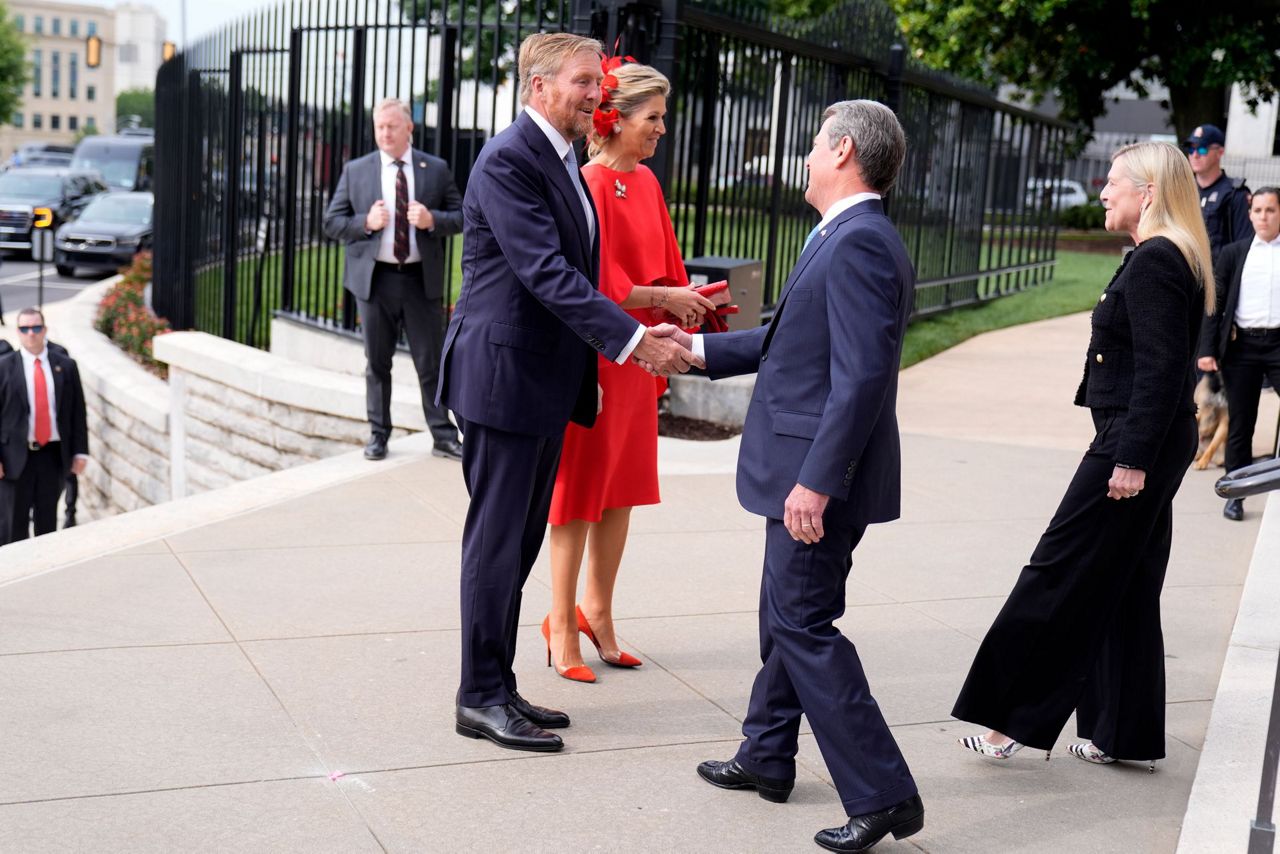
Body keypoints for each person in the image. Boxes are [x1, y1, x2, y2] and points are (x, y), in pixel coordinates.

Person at [654, 100, 923, 852]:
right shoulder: (845, 234)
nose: (803, 158)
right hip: (807, 469)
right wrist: (697, 348)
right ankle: (767, 754)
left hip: (816, 479)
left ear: (841, 150)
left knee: (803, 625)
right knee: (786, 617)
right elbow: (786, 339)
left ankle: (883, 793)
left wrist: (817, 479)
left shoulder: (861, 242)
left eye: (812, 145)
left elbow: (863, 377)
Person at [436, 33, 702, 754]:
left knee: (519, 543)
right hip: (503, 382)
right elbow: (548, 275)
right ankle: (478, 696)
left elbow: (577, 277)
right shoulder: (508, 160)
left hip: (543, 383)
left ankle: (497, 683)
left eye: (596, 82)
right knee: (496, 545)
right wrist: (632, 340)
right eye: (583, 81)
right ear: (538, 88)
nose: (596, 93)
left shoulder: (558, 159)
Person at [953, 142, 1212, 773]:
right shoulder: (1167, 256)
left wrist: (1130, 459)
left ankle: (1010, 721)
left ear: (1146, 192)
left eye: (1113, 182)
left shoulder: (1156, 260)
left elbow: (1157, 371)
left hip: (1133, 441)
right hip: (1147, 438)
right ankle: (1123, 734)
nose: (1102, 192)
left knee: (1058, 569)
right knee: (1127, 581)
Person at [542, 60, 715, 682]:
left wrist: (689, 296)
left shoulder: (645, 183)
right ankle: (560, 622)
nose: (662, 129)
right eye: (654, 117)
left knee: (622, 494)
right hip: (598, 359)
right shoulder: (584, 182)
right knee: (578, 497)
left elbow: (663, 271)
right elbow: (593, 286)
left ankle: (599, 613)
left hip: (641, 362)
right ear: (614, 120)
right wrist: (660, 299)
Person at [322, 97, 465, 462]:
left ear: (409, 128)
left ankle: (443, 435)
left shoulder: (435, 168)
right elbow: (331, 222)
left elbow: (462, 215)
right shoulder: (357, 171)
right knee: (377, 362)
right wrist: (365, 223)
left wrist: (432, 219)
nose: (384, 133)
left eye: (392, 126)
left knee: (430, 362)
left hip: (420, 280)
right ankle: (378, 434)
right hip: (375, 282)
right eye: (379, 127)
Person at [1197, 186, 1280, 521]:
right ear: (1249, 214)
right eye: (1257, 210)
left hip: (1278, 345)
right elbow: (1213, 306)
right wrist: (1206, 350)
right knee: (1241, 424)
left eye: (1270, 210)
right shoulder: (1234, 253)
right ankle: (1236, 493)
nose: (1263, 216)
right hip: (1241, 346)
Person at [0, 308, 90, 544]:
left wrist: (80, 451)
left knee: (47, 523)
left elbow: (76, 412)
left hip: (52, 456)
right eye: (25, 329)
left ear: (45, 330)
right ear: (18, 332)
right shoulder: (4, 368)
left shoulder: (66, 366)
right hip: (14, 459)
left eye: (36, 328)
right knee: (14, 525)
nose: (31, 334)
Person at [1184, 124, 1251, 262]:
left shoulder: (1235, 194)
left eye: (1202, 149)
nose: (1195, 155)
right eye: (1191, 149)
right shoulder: (1183, 192)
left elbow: (1243, 245)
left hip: (1219, 276)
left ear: (1219, 152)